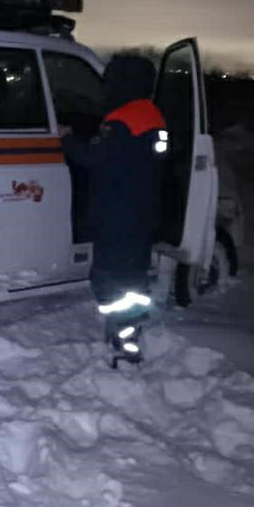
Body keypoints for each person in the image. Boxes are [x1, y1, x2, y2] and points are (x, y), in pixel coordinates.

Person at [58, 54, 169, 367]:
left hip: (118, 217)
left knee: (109, 280)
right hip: (142, 214)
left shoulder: (122, 121)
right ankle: (130, 331)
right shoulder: (152, 116)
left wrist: (67, 141)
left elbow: (96, 159)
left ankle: (125, 344)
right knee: (132, 279)